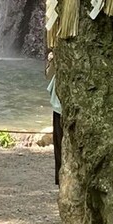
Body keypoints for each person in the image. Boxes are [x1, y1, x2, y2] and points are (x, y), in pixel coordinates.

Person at [47, 57, 62, 185]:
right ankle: (60, 179)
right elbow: (48, 75)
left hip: (65, 107)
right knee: (59, 145)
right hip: (58, 107)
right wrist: (52, 61)